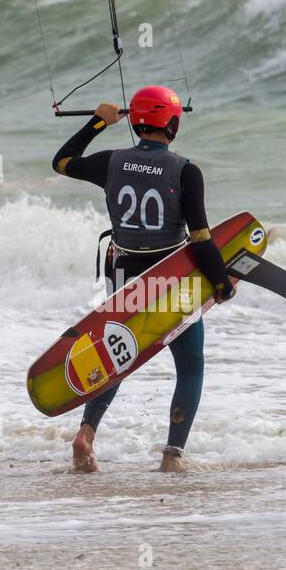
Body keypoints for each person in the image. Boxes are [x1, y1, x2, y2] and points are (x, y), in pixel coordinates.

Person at [52, 85, 234, 473]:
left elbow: (62, 161)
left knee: (117, 357)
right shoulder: (186, 171)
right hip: (169, 282)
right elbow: (201, 238)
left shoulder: (110, 162)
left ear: (135, 121)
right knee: (190, 365)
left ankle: (87, 432)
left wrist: (99, 121)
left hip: (122, 275)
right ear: (172, 123)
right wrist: (221, 282)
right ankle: (172, 456)